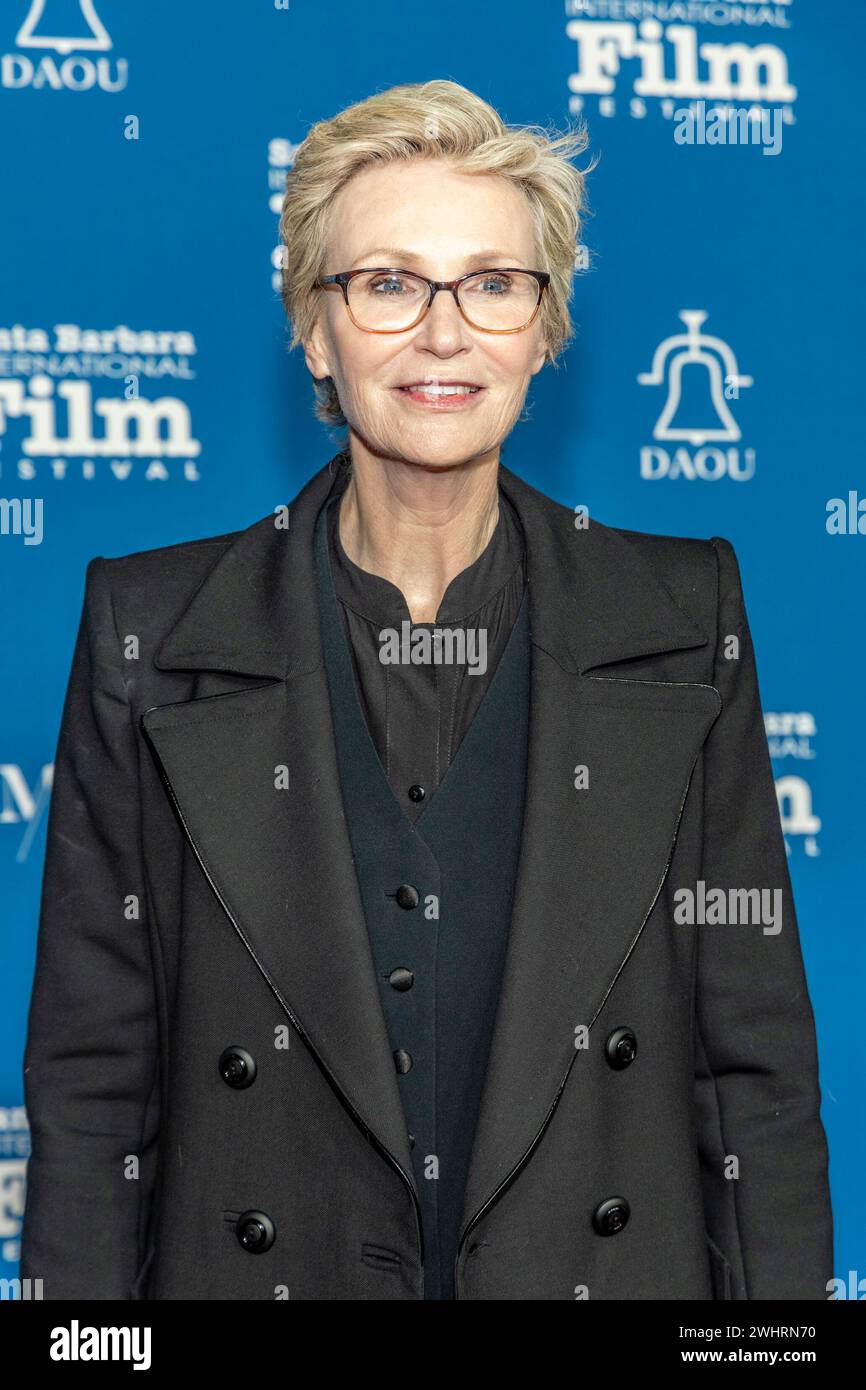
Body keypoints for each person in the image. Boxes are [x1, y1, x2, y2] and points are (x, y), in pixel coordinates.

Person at [20, 78, 832, 1301]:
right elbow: (94, 1085)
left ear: (544, 327)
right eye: (389, 283)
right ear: (313, 326)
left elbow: (751, 1067)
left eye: (492, 284)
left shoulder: (677, 618)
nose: (443, 333)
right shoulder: (153, 630)